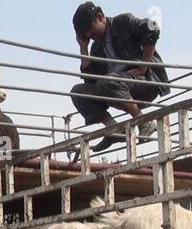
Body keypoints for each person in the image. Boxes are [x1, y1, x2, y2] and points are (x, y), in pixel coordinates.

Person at [70, 3, 168, 152]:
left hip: (144, 80)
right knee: (78, 92)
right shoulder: (96, 48)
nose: (89, 34)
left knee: (107, 82)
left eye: (89, 29)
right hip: (115, 87)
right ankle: (113, 128)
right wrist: (83, 47)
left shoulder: (123, 22)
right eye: (85, 33)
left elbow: (152, 28)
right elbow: (90, 81)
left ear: (100, 17)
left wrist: (144, 66)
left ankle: (143, 121)